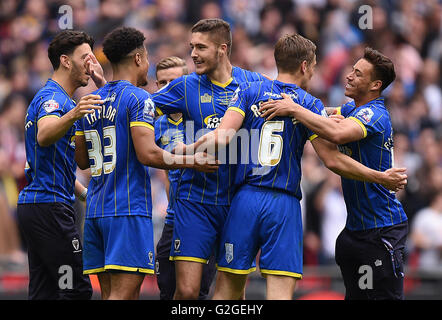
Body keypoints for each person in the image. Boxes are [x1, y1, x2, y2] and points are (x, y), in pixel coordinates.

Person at [188, 34, 407, 300]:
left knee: (227, 293)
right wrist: (380, 177)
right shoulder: (309, 103)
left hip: (244, 200)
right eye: (314, 66)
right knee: (280, 294)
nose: (315, 72)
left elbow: (221, 136)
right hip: (284, 205)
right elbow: (333, 159)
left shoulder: (249, 92)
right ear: (305, 66)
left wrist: (185, 154)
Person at [74, 27, 219, 300]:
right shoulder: (139, 99)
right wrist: (192, 162)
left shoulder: (91, 102)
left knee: (108, 295)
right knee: (124, 295)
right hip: (127, 210)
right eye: (148, 57)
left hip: (95, 212)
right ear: (139, 58)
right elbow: (148, 154)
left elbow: (82, 161)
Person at [259, 47, 409, 299]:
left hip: (381, 231)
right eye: (352, 70)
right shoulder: (353, 109)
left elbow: (337, 133)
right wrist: (298, 104)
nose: (349, 76)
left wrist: (295, 109)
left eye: (358, 74)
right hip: (355, 232)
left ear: (376, 85)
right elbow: (324, 114)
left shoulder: (375, 114)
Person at [151, 18, 264, 300]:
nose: (193, 54)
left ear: (222, 48)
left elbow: (296, 101)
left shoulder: (253, 82)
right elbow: (140, 108)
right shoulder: (185, 86)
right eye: (191, 47)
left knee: (232, 292)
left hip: (238, 202)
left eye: (201, 47)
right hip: (194, 201)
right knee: (188, 292)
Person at [16, 30, 105, 300]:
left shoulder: (61, 100)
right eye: (85, 57)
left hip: (41, 206)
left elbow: (58, 166)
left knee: (45, 292)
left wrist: (86, 195)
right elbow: (44, 135)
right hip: (50, 208)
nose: (91, 64)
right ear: (66, 61)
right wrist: (75, 112)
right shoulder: (54, 99)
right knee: (76, 289)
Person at [153, 56, 216, 300]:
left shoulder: (206, 116)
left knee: (196, 292)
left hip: (204, 214)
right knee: (167, 291)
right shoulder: (155, 124)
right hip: (173, 218)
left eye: (174, 81)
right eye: (162, 83)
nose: (168, 88)